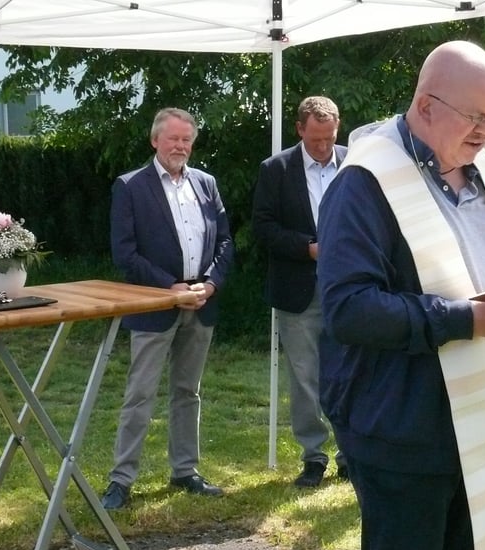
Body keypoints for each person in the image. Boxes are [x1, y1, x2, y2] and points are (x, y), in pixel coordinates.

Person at [317, 40, 485, 550]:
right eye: (475, 117)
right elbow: (349, 309)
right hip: (404, 431)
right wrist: (465, 321)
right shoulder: (363, 184)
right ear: (426, 106)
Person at [101, 107, 235, 510]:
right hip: (155, 303)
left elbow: (226, 241)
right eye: (173, 138)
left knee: (187, 392)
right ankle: (121, 481)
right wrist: (169, 288)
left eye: (186, 140)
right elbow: (125, 253)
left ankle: (185, 471)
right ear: (154, 140)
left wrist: (210, 283)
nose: (180, 146)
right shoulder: (130, 186)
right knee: (140, 394)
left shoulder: (206, 183)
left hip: (201, 300)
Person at [251, 95, 348, 488]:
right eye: (316, 140)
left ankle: (350, 454)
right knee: (305, 377)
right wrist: (306, 247)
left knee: (349, 373)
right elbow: (263, 227)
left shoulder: (354, 162)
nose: (323, 147)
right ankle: (314, 456)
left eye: (329, 138)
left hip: (349, 286)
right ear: (300, 130)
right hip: (299, 288)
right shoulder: (276, 169)